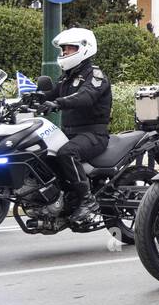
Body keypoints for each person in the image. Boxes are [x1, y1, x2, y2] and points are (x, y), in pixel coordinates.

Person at [31, 28, 111, 226]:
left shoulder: (95, 75)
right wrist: (28, 99)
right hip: (70, 133)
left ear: (85, 49)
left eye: (69, 49)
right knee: (42, 152)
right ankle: (56, 198)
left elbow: (85, 96)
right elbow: (48, 94)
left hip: (93, 134)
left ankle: (87, 200)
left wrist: (58, 103)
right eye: (64, 49)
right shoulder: (66, 77)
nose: (65, 53)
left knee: (67, 153)